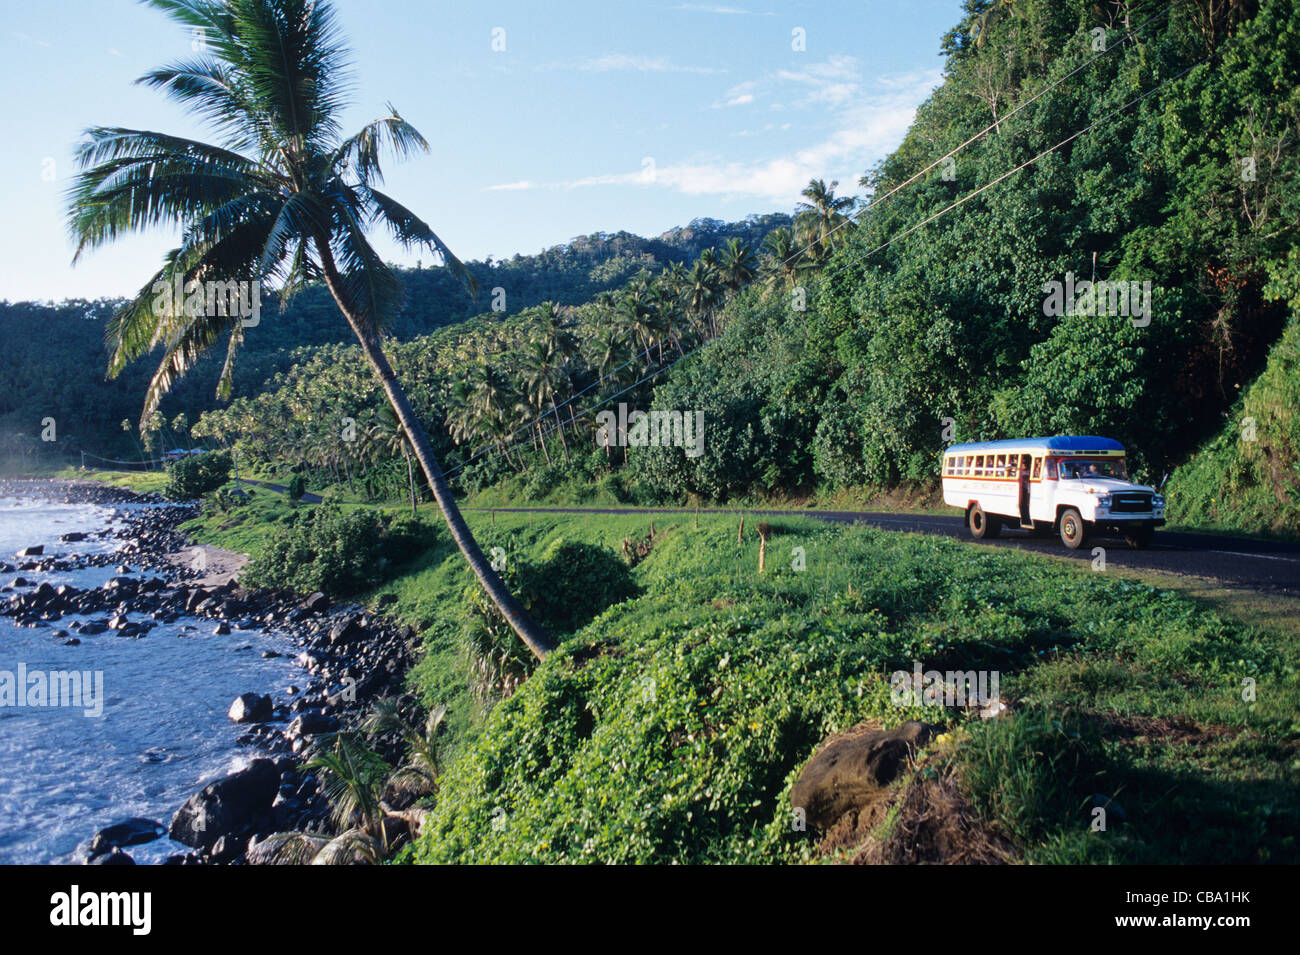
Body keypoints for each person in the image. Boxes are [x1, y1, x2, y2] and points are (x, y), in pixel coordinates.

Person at [1018, 454, 1032, 527]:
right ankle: (1024, 519)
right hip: (1023, 489)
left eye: (1026, 463)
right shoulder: (1020, 471)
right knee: (1023, 504)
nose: (1024, 464)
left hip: (1028, 489)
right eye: (1023, 463)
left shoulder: (1030, 471)